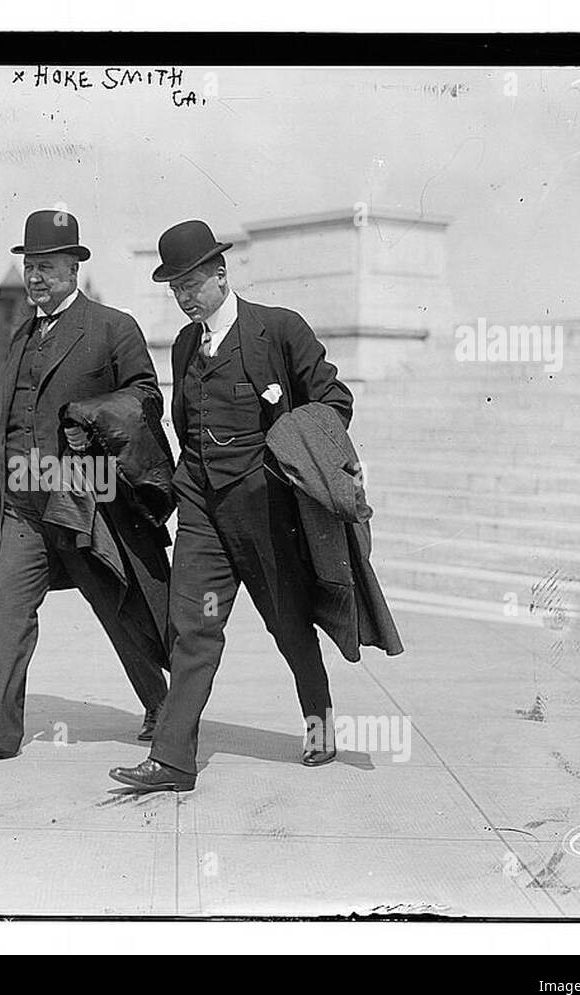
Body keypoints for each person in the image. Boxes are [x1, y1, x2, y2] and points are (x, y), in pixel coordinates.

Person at [110, 219, 393, 793]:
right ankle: (172, 762)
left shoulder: (279, 329)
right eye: (175, 289)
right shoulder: (187, 345)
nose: (184, 297)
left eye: (191, 284)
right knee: (193, 626)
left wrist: (293, 445)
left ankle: (319, 726)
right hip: (203, 508)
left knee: (289, 626)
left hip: (267, 512)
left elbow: (334, 400)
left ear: (221, 273)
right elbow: (187, 426)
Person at [0, 210, 172, 766]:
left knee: (115, 603)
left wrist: (93, 414)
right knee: (6, 609)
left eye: (47, 267)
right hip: (24, 502)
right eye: (30, 267)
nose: (36, 278)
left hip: (81, 498)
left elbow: (146, 396)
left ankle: (162, 705)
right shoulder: (21, 330)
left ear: (74, 268)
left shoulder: (112, 327)